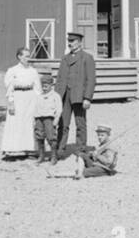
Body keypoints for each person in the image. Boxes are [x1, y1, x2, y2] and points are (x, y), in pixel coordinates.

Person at [54, 30, 95, 159]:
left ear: (79, 43)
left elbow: (91, 80)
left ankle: (81, 150)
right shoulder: (64, 58)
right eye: (69, 41)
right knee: (63, 123)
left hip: (79, 96)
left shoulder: (87, 58)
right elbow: (60, 78)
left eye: (72, 41)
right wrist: (55, 97)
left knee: (80, 124)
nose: (70, 43)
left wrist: (87, 98)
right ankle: (60, 149)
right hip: (64, 96)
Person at [1, 46, 42, 159]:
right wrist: (10, 102)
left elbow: (37, 88)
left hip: (30, 98)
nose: (28, 58)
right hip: (17, 97)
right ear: (19, 56)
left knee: (29, 123)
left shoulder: (33, 71)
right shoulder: (12, 70)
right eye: (26, 56)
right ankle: (12, 150)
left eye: (29, 56)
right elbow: (9, 87)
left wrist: (39, 103)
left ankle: (30, 150)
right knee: (15, 122)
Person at [32, 74, 63, 164]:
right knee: (39, 136)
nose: (44, 88)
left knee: (51, 137)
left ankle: (53, 156)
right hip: (39, 119)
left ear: (51, 85)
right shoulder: (39, 96)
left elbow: (59, 109)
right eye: (43, 86)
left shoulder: (55, 96)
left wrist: (56, 119)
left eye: (46, 86)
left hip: (49, 119)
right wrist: (34, 119)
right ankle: (41, 155)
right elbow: (35, 108)